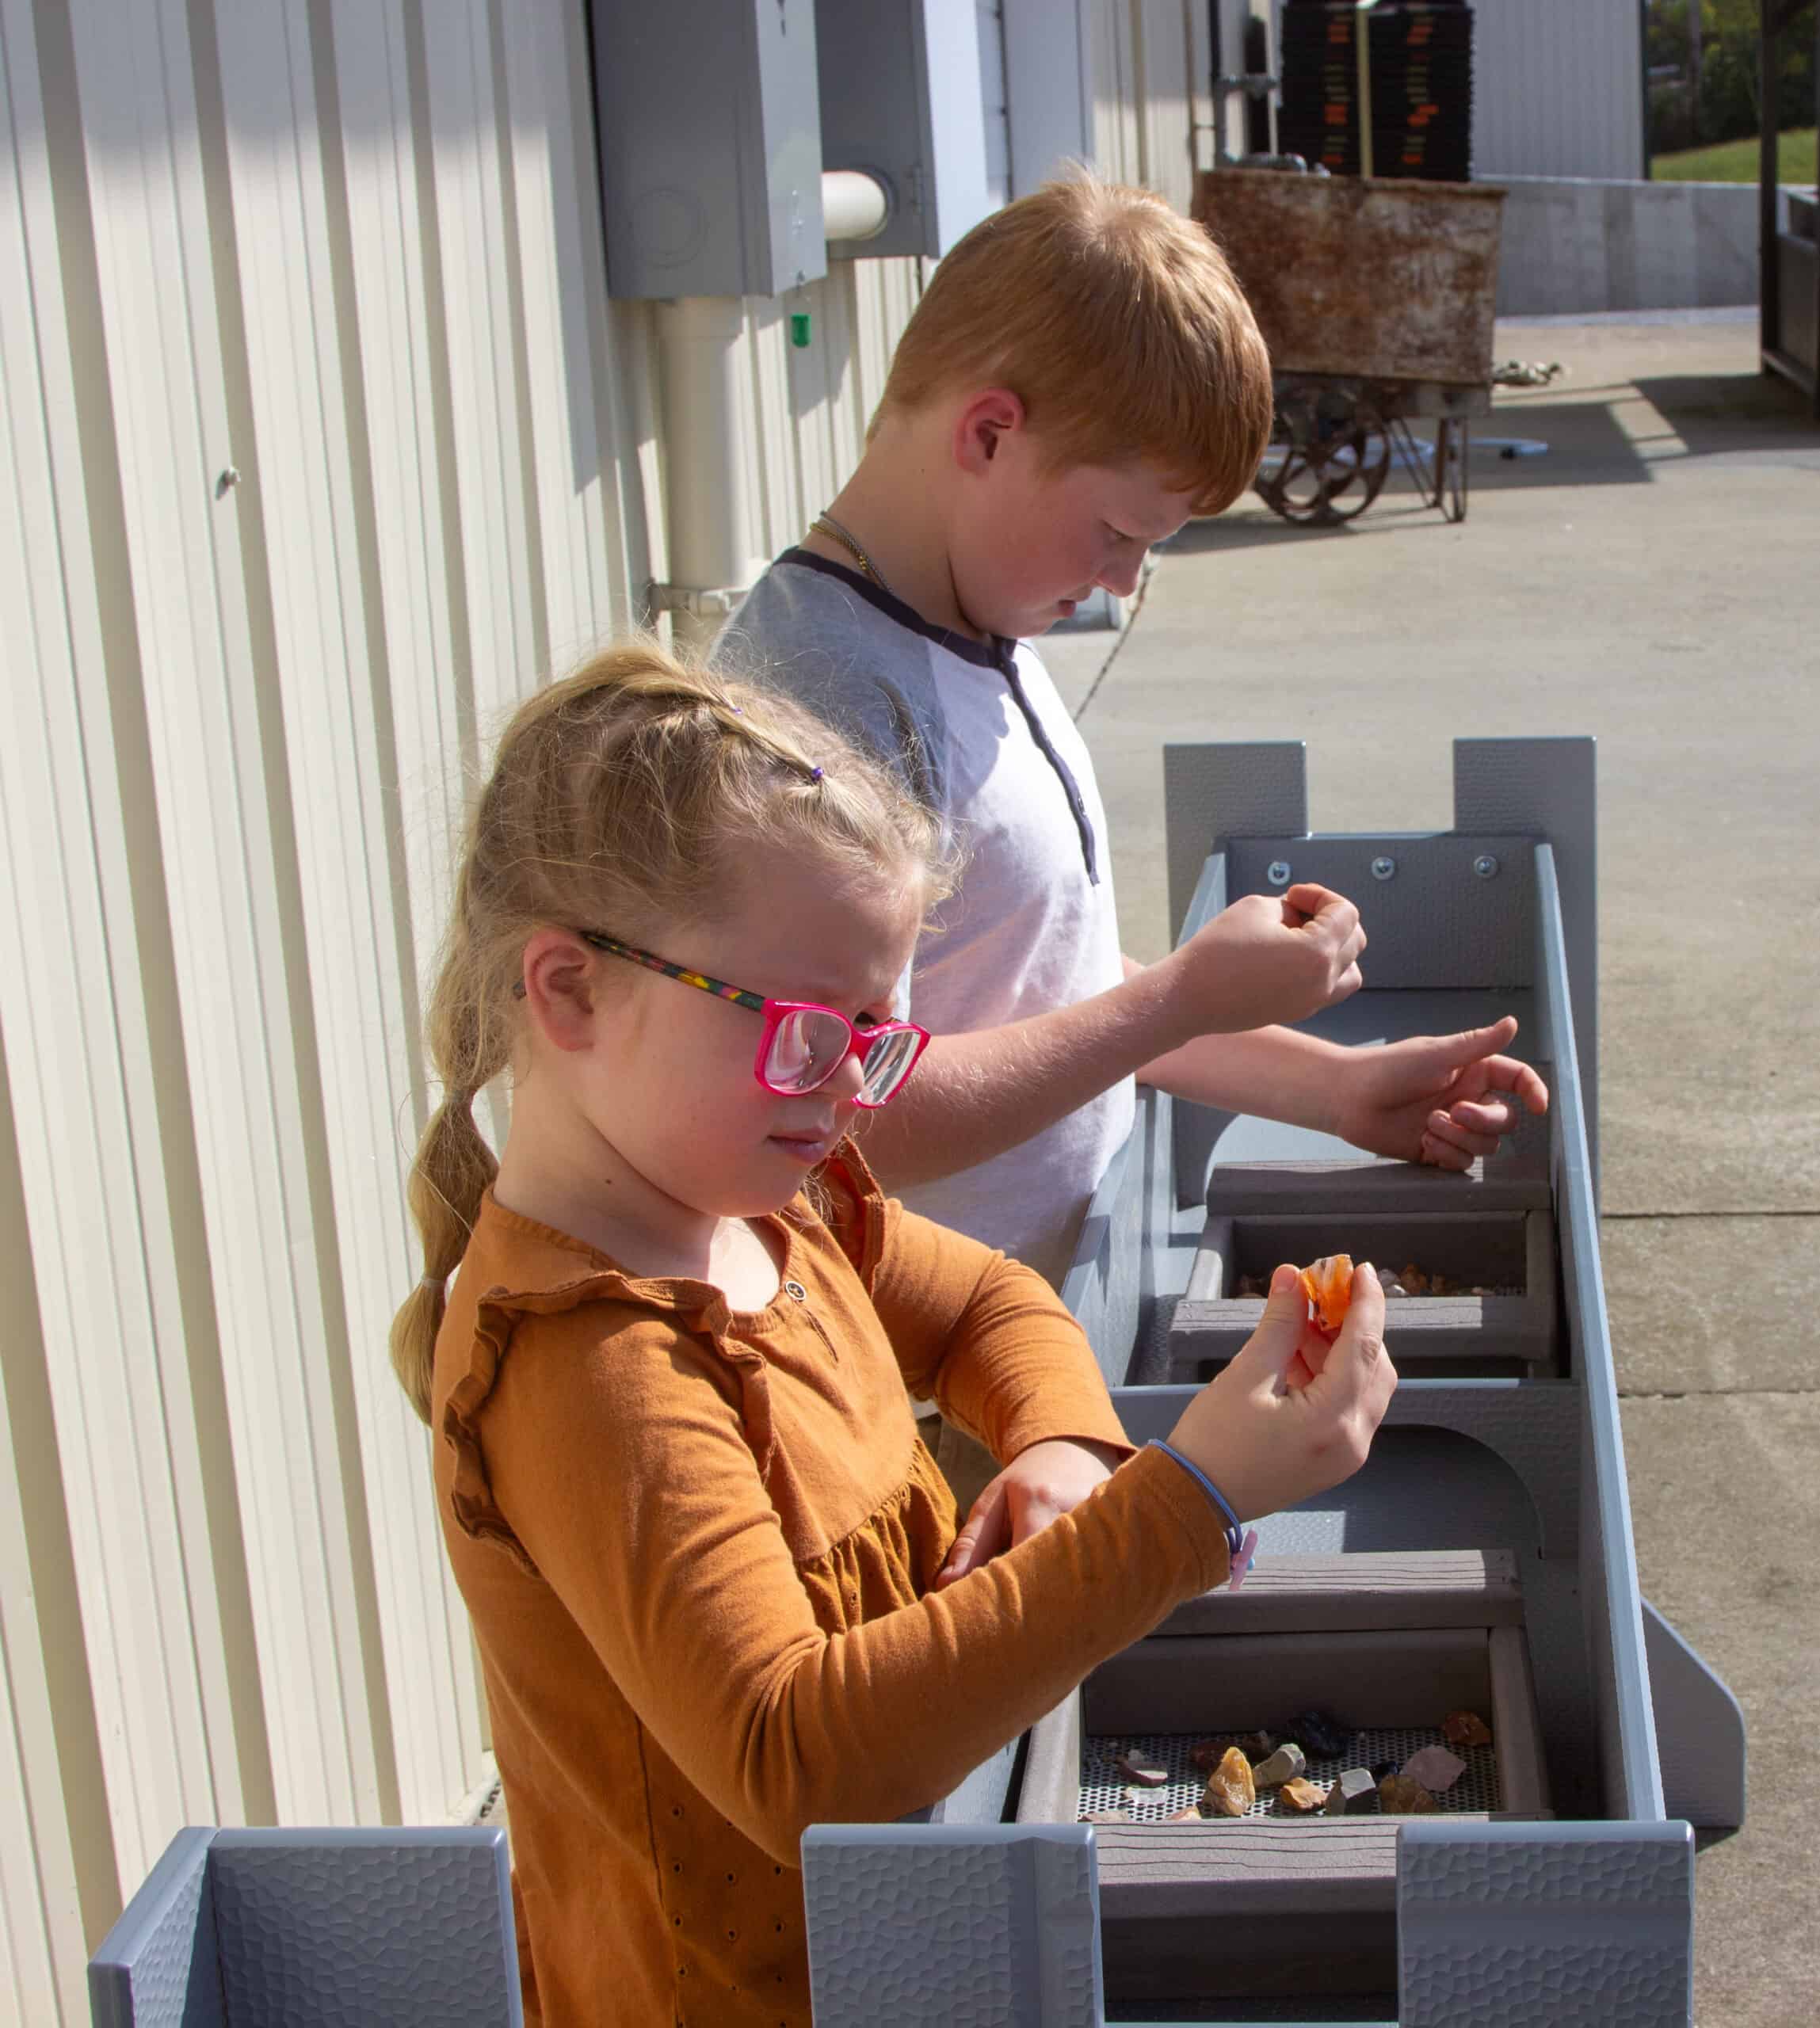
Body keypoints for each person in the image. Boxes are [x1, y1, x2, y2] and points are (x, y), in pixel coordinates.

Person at [391, 644, 1398, 2028]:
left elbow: (992, 1303)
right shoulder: (594, 1365)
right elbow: (800, 1758)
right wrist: (1189, 1497)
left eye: (877, 1039)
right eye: (807, 1033)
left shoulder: (765, 1201)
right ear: (567, 992)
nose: (849, 1095)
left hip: (910, 1941)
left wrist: (1057, 1445)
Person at [713, 171, 1549, 1299]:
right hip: (915, 1388)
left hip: (1027, 1339)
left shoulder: (970, 628)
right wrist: (1184, 993)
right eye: (1115, 531)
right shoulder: (818, 702)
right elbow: (837, 1113)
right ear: (990, 432)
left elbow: (1029, 985)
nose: (1123, 582)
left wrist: (1333, 1089)